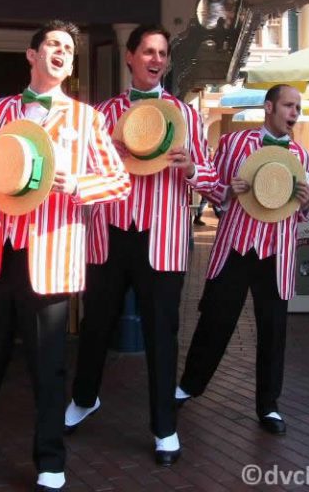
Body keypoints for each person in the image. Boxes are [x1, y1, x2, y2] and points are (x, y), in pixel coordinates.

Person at [0, 20, 130, 492]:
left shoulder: (87, 119)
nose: (61, 53)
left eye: (68, 50)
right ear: (31, 55)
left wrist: (78, 184)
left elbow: (118, 182)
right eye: (53, 46)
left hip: (51, 254)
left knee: (48, 362)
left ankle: (50, 458)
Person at [64, 24, 218, 466]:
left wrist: (191, 169)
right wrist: (109, 151)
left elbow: (212, 183)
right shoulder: (103, 113)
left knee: (161, 333)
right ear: (130, 57)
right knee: (96, 326)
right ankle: (85, 397)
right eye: (147, 51)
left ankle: (164, 427)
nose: (155, 59)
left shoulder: (185, 115)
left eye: (162, 53)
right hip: (110, 231)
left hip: (163, 239)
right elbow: (84, 175)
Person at [176, 83, 309, 436]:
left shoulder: (304, 158)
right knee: (215, 320)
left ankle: (268, 405)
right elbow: (213, 187)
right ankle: (189, 385)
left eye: (297, 107)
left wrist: (306, 201)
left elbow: (302, 216)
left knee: (273, 330)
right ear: (269, 107)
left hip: (277, 253)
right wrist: (228, 190)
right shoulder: (234, 144)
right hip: (237, 246)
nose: (294, 113)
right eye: (288, 105)